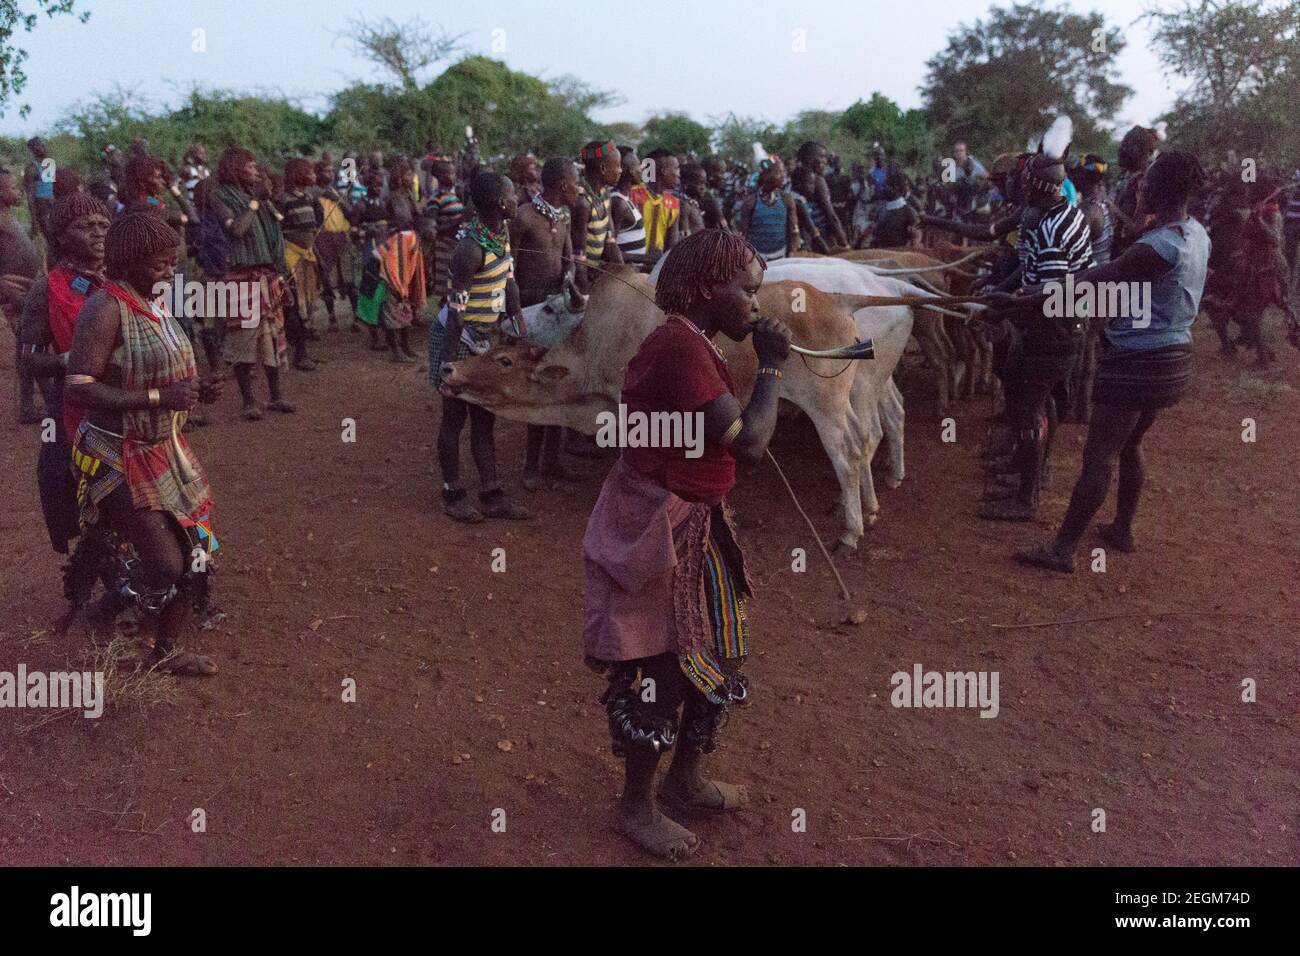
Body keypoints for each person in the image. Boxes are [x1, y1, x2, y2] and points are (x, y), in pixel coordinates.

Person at [582, 229, 791, 860]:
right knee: (662, 665)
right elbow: (750, 444)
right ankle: (636, 806)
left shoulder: (694, 342)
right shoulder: (681, 349)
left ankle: (684, 780)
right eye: (747, 291)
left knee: (713, 651)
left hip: (697, 519)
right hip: (665, 525)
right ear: (706, 289)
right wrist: (775, 366)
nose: (756, 304)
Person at [1015, 153, 1209, 572]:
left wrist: (1032, 298)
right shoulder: (1194, 234)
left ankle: (1062, 549)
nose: (1139, 188)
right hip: (1174, 356)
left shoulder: (1156, 247)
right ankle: (1121, 528)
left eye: (1144, 184)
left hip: (1138, 362)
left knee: (1099, 455)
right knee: (1132, 444)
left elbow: (1097, 280)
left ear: (1158, 190)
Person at [63, 213, 223, 674]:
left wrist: (195, 389)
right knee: (167, 563)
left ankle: (166, 651)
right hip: (116, 451)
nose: (168, 273)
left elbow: (166, 369)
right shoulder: (105, 308)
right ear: (128, 263)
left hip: (165, 448)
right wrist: (159, 397)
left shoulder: (157, 305)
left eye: (172, 263)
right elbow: (78, 385)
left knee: (198, 553)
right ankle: (107, 608)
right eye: (158, 265)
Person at [980, 134, 1094, 522]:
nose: (1017, 186)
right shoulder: (1062, 213)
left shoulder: (1050, 230)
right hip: (1061, 325)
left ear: (1036, 187)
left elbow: (1048, 294)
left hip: (1053, 329)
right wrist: (1001, 290)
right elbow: (1030, 275)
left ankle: (1026, 498)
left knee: (1028, 408)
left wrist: (1004, 305)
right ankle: (1029, 477)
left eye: (1023, 182)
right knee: (1040, 403)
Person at [429, 171, 531, 522]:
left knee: (484, 417)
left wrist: (518, 320)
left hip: (481, 338)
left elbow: (509, 282)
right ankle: (452, 492)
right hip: (457, 340)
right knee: (453, 418)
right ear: (501, 203)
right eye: (513, 192)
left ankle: (491, 492)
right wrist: (447, 368)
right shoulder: (469, 250)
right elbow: (456, 315)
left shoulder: (498, 235)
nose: (518, 197)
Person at [19, 193, 110, 566]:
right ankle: (92, 569)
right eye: (83, 227)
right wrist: (64, 359)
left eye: (102, 225)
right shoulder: (48, 287)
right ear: (60, 238)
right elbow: (28, 359)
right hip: (73, 404)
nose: (97, 233)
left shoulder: (125, 276)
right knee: (61, 477)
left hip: (126, 399)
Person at [209, 146, 295, 420]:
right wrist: (255, 203)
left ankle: (275, 396)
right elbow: (236, 229)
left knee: (271, 336)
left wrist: (280, 274)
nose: (256, 171)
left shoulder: (254, 197)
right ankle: (248, 401)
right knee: (243, 339)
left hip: (266, 275)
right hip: (241, 275)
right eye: (251, 166)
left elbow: (275, 233)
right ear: (236, 168)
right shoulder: (219, 196)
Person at [511, 158, 580, 491]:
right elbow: (508, 269)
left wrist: (569, 279)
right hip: (530, 311)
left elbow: (568, 259)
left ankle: (551, 461)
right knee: (534, 387)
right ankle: (530, 466)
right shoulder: (523, 216)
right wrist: (512, 314)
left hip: (558, 309)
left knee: (557, 384)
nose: (579, 188)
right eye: (576, 181)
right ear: (563, 184)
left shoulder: (564, 216)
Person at [0, 164, 43, 422]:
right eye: (12, 187)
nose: (18, 191)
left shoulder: (9, 217)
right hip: (15, 292)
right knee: (35, 345)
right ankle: (50, 402)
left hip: (27, 287)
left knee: (28, 346)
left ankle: (28, 406)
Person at [277, 158, 325, 370]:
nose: (314, 176)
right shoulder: (284, 199)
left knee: (305, 304)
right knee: (295, 306)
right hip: (290, 257)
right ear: (298, 174)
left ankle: (303, 351)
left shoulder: (309, 198)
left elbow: (314, 227)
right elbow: (278, 230)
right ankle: (299, 353)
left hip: (307, 256)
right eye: (310, 172)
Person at [572, 140, 624, 293]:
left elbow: (610, 240)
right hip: (580, 280)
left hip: (594, 273)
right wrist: (585, 292)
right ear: (603, 168)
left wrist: (623, 273)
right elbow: (578, 256)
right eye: (618, 165)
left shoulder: (604, 194)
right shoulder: (582, 202)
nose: (621, 170)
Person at [737, 158, 800, 260]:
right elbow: (743, 233)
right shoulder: (750, 202)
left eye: (783, 171)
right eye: (778, 172)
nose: (783, 175)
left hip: (781, 255)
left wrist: (792, 252)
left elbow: (794, 229)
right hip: (757, 258)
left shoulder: (786, 199)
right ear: (765, 175)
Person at [794, 141, 848, 247]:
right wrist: (844, 243)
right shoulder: (818, 181)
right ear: (810, 157)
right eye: (822, 156)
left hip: (801, 237)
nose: (825, 161)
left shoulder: (793, 178)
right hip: (820, 238)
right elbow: (830, 215)